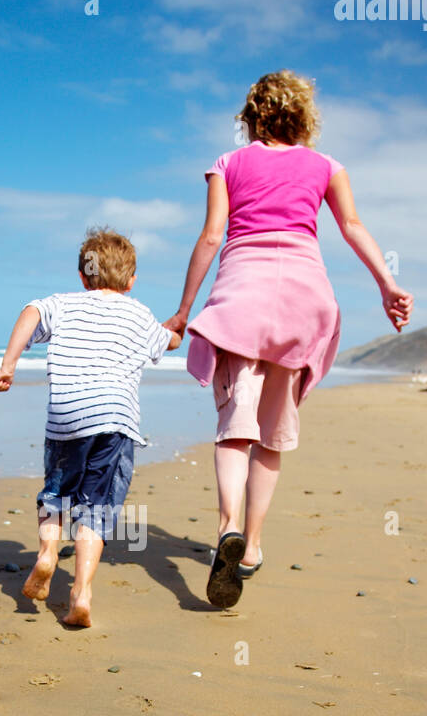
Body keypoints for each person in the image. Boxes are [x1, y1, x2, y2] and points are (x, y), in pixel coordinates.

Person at [164, 69, 413, 609]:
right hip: (305, 301)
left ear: (251, 116)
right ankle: (251, 546)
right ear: (304, 116)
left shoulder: (227, 163)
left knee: (235, 428)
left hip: (243, 300)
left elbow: (212, 236)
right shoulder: (326, 165)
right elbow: (351, 226)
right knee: (272, 436)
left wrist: (184, 311)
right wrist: (387, 283)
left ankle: (228, 525)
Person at [0, 227, 181, 627]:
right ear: (131, 281)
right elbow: (170, 341)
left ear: (83, 276)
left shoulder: (63, 304)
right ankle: (81, 591)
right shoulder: (140, 313)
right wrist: (175, 328)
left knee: (56, 492)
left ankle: (46, 554)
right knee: (98, 508)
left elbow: (31, 312)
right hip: (115, 422)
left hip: (67, 417)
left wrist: (9, 363)